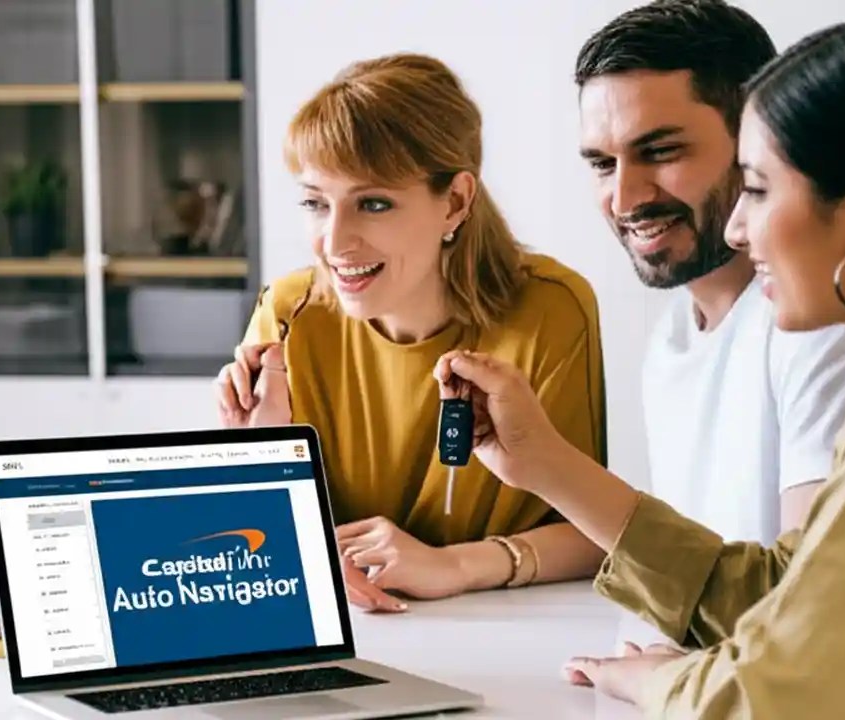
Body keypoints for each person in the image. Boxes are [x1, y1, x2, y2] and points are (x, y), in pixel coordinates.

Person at [438, 10, 845, 717]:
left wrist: (658, 681)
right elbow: (797, 593)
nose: (740, 226)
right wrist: (541, 465)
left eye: (760, 189)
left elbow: (776, 700)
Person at [213, 53, 608, 613]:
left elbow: (600, 531)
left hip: (507, 629)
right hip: (348, 634)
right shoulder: (288, 313)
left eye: (373, 203)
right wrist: (257, 460)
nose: (334, 242)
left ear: (455, 201)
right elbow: (240, 547)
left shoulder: (549, 309)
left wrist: (455, 565)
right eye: (315, 203)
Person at [572, 0, 845, 645]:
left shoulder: (825, 325)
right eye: (603, 164)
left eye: (660, 151)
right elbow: (708, 597)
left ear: (757, 141)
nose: (624, 198)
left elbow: (811, 612)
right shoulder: (671, 340)